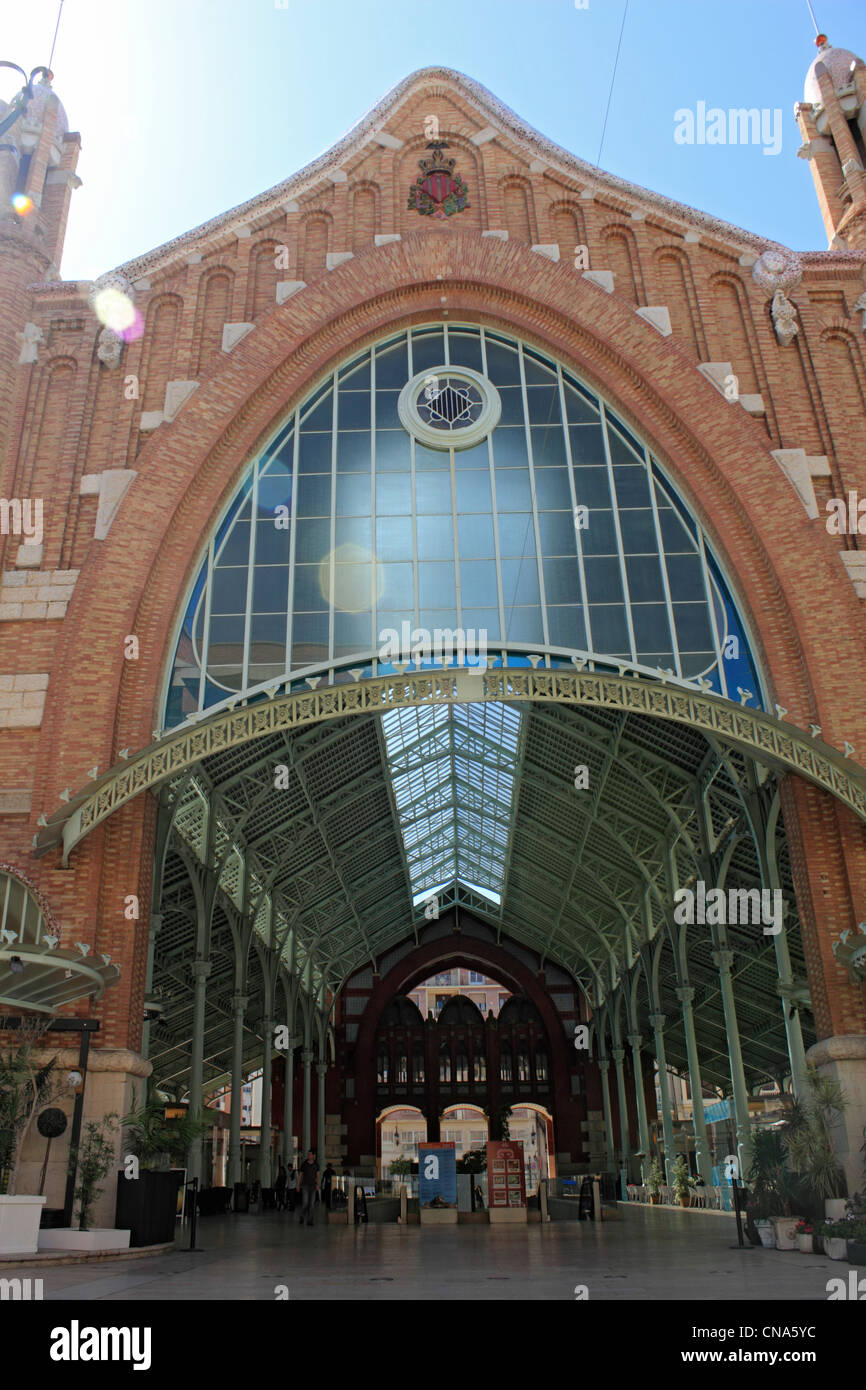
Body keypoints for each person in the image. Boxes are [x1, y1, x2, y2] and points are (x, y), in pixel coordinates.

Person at [297, 1149, 319, 1226]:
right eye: (308, 1154)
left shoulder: (316, 1164)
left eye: (310, 1154)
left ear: (313, 1156)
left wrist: (317, 1185)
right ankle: (302, 1216)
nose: (308, 1156)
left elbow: (317, 1175)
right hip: (305, 1186)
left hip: (313, 1186)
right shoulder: (304, 1164)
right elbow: (300, 1175)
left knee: (312, 1204)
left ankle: (310, 1220)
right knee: (305, 1203)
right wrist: (298, 1185)